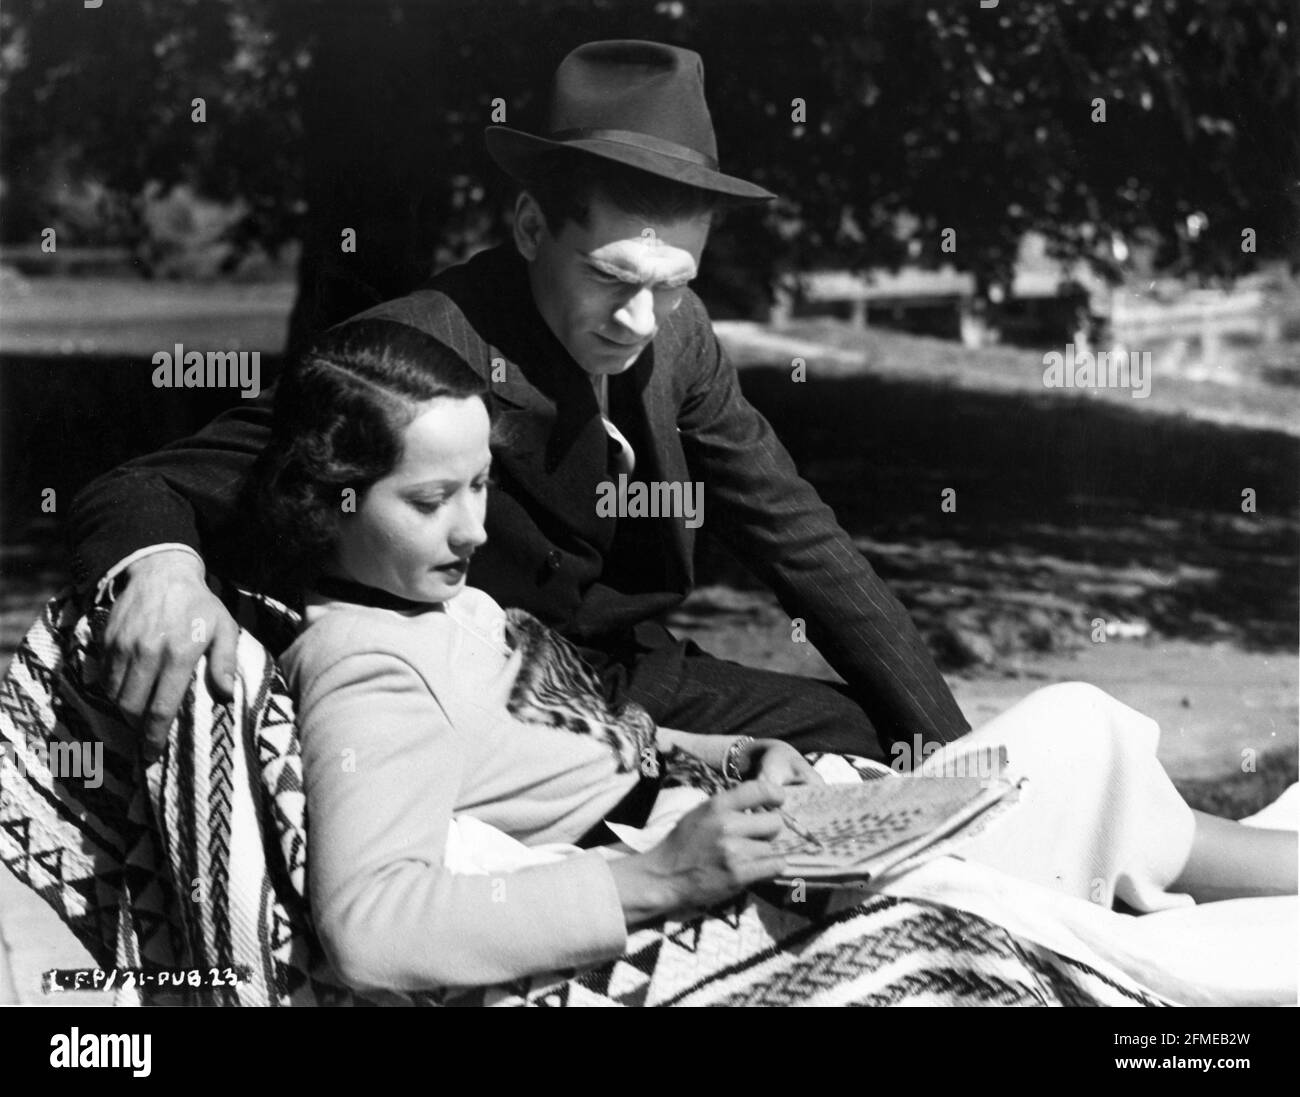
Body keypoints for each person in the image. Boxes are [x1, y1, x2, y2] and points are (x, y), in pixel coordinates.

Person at [259, 323, 1294, 998]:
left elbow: (584, 739)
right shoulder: (365, 663)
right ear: (329, 494)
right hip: (719, 894)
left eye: (481, 485)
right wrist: (656, 875)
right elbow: (369, 926)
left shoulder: (447, 605)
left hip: (748, 829)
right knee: (1075, 763)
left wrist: (732, 760)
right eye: (431, 501)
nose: (474, 527)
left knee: (1070, 731)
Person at [67, 39, 970, 764]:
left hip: (635, 676)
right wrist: (163, 568)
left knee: (875, 734)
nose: (640, 320)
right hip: (474, 699)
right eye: (613, 278)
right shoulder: (418, 345)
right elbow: (147, 487)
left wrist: (959, 753)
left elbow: (799, 537)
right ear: (533, 226)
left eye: (673, 283)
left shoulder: (680, 333)